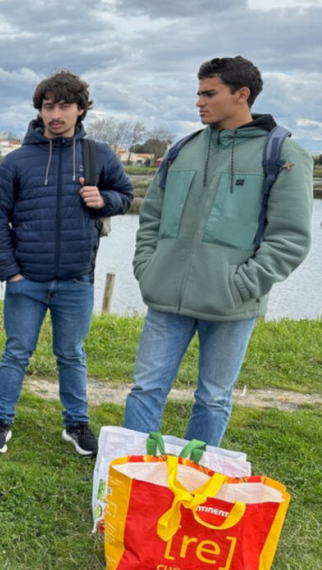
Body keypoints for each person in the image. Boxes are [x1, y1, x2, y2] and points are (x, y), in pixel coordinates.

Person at [123, 56, 313, 447]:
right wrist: (148, 266)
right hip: (166, 298)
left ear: (242, 95)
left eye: (209, 93)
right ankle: (132, 481)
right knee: (145, 390)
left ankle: (195, 483)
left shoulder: (284, 153)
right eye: (198, 93)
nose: (199, 102)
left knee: (212, 399)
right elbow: (151, 218)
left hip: (230, 305)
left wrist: (242, 285)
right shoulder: (184, 149)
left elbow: (291, 238)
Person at [0, 71, 134, 457]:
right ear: (39, 110)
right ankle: (0, 420)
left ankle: (76, 425)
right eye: (48, 106)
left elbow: (126, 194)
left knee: (71, 354)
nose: (56, 113)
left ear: (80, 109)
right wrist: (9, 272)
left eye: (64, 105)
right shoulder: (17, 161)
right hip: (26, 281)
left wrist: (105, 200)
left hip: (76, 280)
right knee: (16, 351)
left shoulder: (98, 155)